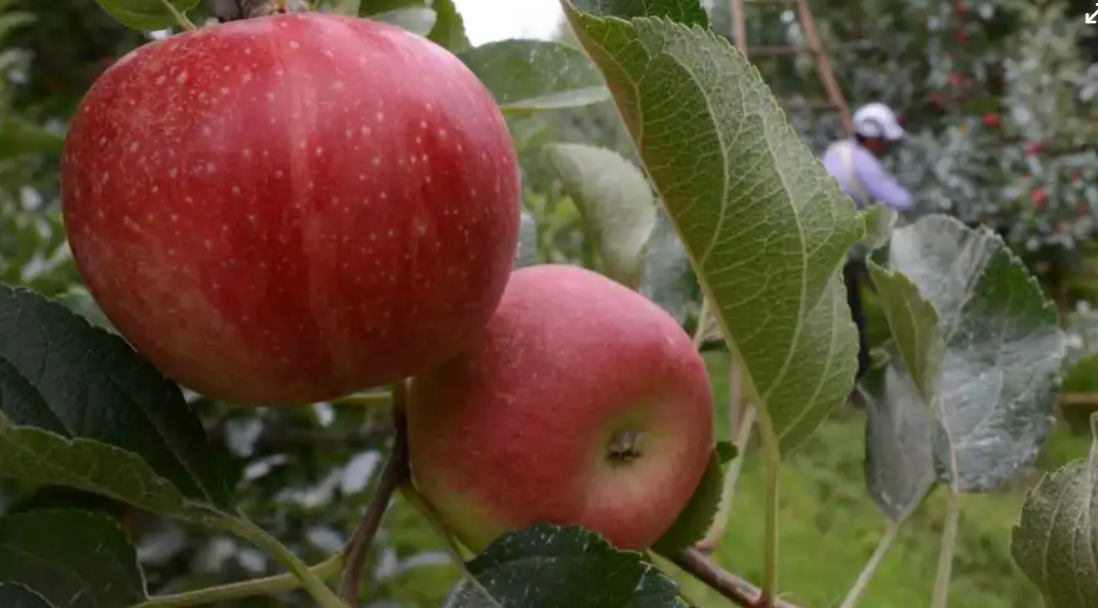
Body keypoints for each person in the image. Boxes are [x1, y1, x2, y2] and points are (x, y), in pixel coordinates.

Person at [821, 102, 915, 382]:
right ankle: (857, 377)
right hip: (846, 248)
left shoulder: (837, 151)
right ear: (873, 137)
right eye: (883, 141)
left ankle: (841, 376)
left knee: (839, 313)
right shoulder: (864, 164)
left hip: (825, 241)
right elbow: (898, 200)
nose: (885, 147)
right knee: (854, 315)